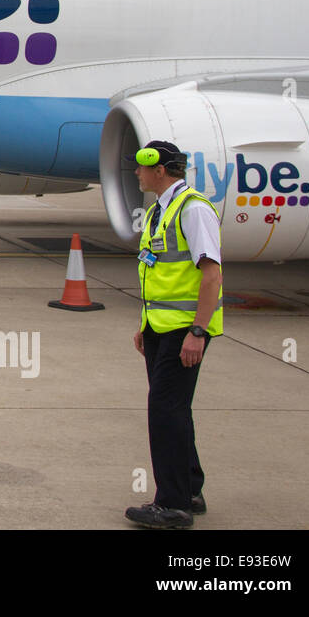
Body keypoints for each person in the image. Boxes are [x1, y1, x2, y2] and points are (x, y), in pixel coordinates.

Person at [125, 139, 223, 530]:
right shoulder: (158, 211)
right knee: (174, 410)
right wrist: (144, 324)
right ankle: (190, 490)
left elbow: (211, 274)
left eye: (141, 167)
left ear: (159, 171)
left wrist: (197, 331)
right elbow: (158, 271)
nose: (136, 173)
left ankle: (172, 505)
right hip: (160, 327)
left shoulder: (194, 210)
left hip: (185, 329)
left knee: (164, 412)